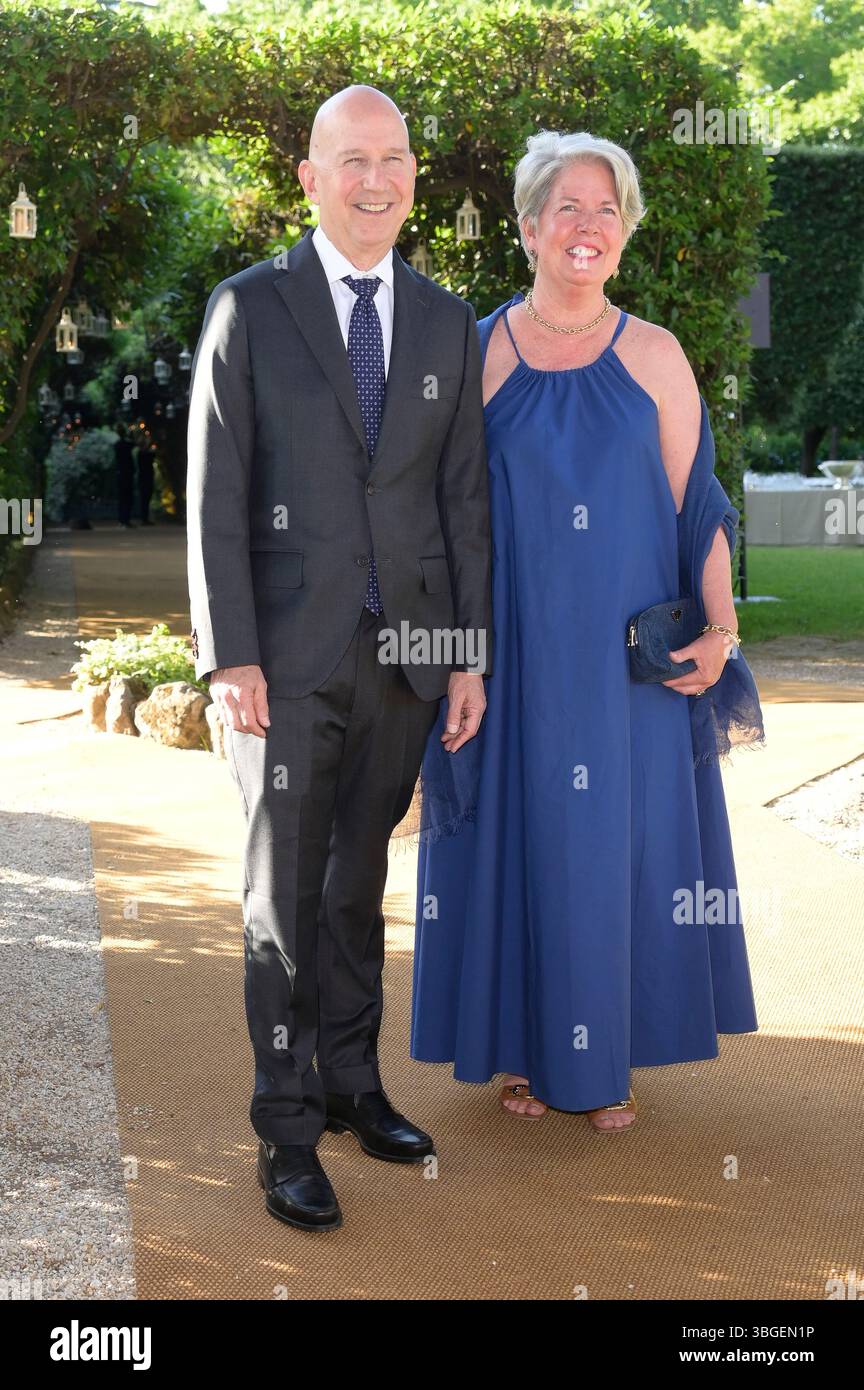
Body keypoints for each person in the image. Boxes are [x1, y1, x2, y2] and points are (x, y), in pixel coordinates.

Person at [411, 131, 763, 1132]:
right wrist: (455, 657)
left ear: (625, 233)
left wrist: (723, 624)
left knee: (613, 848)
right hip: (510, 657)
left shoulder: (654, 353)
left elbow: (700, 506)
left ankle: (602, 1057)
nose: (589, 225)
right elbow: (440, 518)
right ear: (527, 226)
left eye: (607, 210)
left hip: (623, 666)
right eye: (567, 206)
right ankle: (528, 1052)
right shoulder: (475, 352)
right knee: (518, 841)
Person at [186, 86, 493, 1232]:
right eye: (352, 160)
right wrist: (230, 660)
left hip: (408, 658)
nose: (378, 180)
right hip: (283, 664)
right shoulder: (249, 309)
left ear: (415, 175)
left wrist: (465, 656)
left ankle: (355, 1083)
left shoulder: (446, 321)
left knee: (358, 882)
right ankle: (285, 1127)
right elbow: (216, 498)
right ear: (309, 179)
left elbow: (462, 502)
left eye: (395, 159)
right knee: (282, 897)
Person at [114, 424, 135, 528]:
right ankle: (125, 520)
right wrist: (130, 434)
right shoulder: (125, 444)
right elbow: (133, 443)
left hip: (121, 473)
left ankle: (122, 520)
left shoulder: (118, 444)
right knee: (127, 497)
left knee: (122, 498)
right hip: (126, 473)